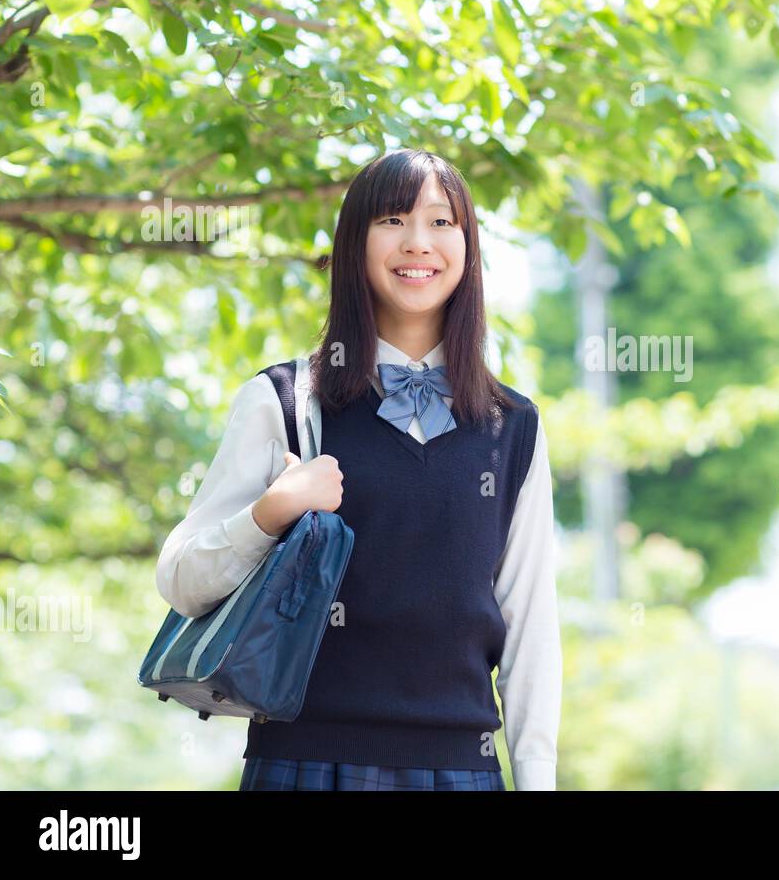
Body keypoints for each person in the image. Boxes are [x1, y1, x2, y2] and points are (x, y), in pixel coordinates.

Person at [155, 149, 561, 791]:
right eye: (394, 220)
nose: (418, 243)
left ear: (467, 246)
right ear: (356, 242)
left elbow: (529, 621)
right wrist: (271, 511)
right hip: (306, 763)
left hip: (462, 769)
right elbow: (181, 579)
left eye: (441, 222)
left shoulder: (512, 426)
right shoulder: (287, 401)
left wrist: (537, 778)